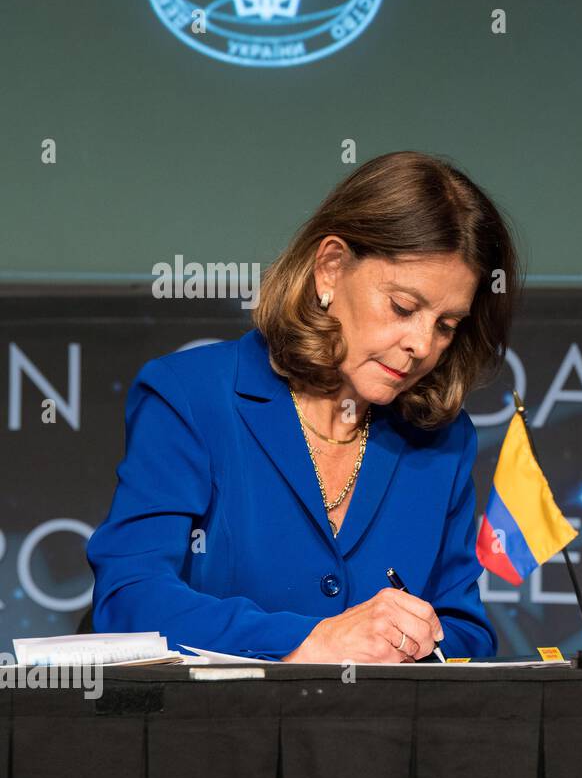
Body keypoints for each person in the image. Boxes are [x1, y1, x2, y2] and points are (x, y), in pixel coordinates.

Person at [86, 151, 520, 662]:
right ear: (330, 269)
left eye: (447, 325)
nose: (423, 345)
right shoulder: (190, 396)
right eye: (403, 307)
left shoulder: (444, 439)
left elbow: (465, 633)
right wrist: (313, 641)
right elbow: (130, 600)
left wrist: (413, 640)